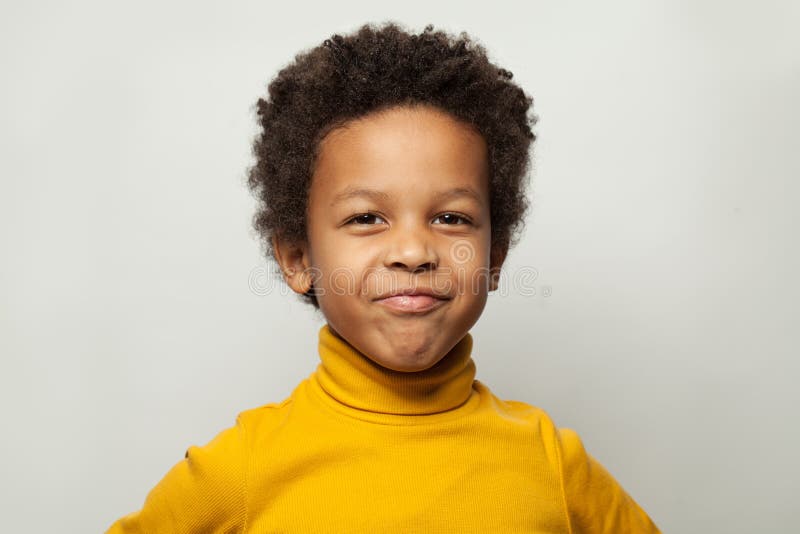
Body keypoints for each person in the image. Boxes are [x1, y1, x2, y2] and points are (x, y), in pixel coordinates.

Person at [107, 21, 661, 533]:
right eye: (366, 218)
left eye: (451, 218)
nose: (414, 251)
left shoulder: (554, 464)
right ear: (298, 259)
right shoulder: (241, 470)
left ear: (494, 258)